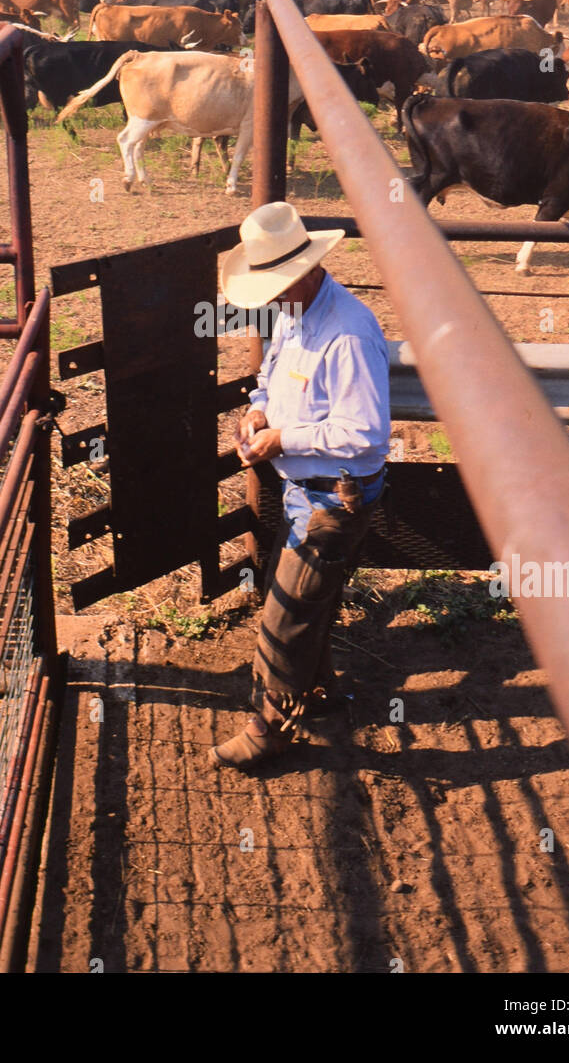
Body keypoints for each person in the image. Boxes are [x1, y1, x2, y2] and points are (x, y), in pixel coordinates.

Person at [210, 201, 391, 772]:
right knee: (306, 600)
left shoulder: (348, 334)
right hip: (307, 493)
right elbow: (271, 378)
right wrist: (259, 412)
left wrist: (284, 440)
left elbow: (365, 432)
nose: (271, 298)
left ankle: (271, 732)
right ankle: (320, 693)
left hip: (333, 498)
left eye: (277, 285)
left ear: (309, 270)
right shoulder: (298, 313)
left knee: (284, 619)